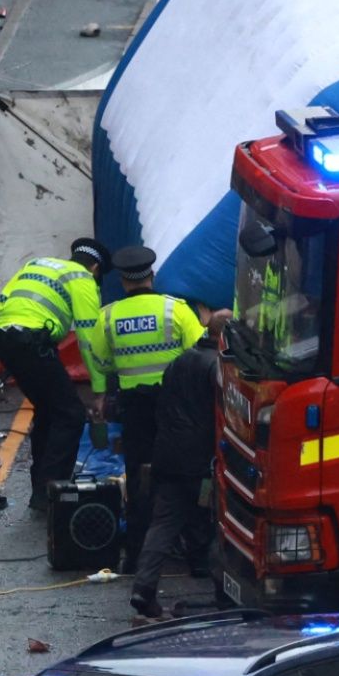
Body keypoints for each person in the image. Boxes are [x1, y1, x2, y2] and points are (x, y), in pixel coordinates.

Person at [95, 245, 209, 573]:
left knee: (139, 479)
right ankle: (197, 556)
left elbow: (103, 363)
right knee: (189, 475)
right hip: (177, 410)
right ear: (151, 275)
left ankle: (136, 554)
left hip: (136, 410)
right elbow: (200, 353)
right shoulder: (175, 310)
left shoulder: (109, 316)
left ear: (122, 281)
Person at [0, 239, 111, 510]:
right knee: (71, 414)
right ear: (96, 268)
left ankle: (41, 489)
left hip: (6, 339)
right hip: (32, 343)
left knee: (47, 410)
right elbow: (89, 339)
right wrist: (100, 389)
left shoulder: (35, 264)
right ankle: (52, 490)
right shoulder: (83, 278)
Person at [130, 311, 230, 618]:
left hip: (168, 455)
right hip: (200, 461)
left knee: (163, 524)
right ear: (226, 336)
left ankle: (143, 588)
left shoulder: (180, 360)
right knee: (219, 522)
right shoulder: (218, 367)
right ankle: (224, 594)